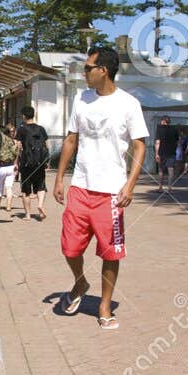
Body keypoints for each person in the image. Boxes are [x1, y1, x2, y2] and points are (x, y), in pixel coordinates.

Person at [53, 46, 148, 331]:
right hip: (81, 186)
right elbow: (71, 139)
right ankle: (81, 282)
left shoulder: (129, 104)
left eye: (88, 68)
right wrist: (59, 178)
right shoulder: (81, 99)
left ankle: (105, 304)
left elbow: (140, 144)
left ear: (103, 70)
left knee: (110, 253)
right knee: (70, 248)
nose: (84, 72)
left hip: (111, 192)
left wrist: (130, 185)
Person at [15, 105, 50, 220]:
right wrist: (47, 160)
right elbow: (47, 145)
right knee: (41, 186)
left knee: (26, 190)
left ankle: (28, 214)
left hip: (26, 163)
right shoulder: (41, 129)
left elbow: (17, 147)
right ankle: (40, 206)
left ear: (24, 116)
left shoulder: (21, 129)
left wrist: (16, 161)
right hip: (39, 163)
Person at [154, 117, 179, 191]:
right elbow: (177, 141)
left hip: (162, 152)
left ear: (163, 121)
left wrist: (156, 154)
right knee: (171, 170)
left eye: (161, 120)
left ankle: (160, 187)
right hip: (172, 152)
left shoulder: (159, 129)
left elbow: (157, 142)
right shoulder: (174, 129)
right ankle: (170, 187)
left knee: (161, 170)